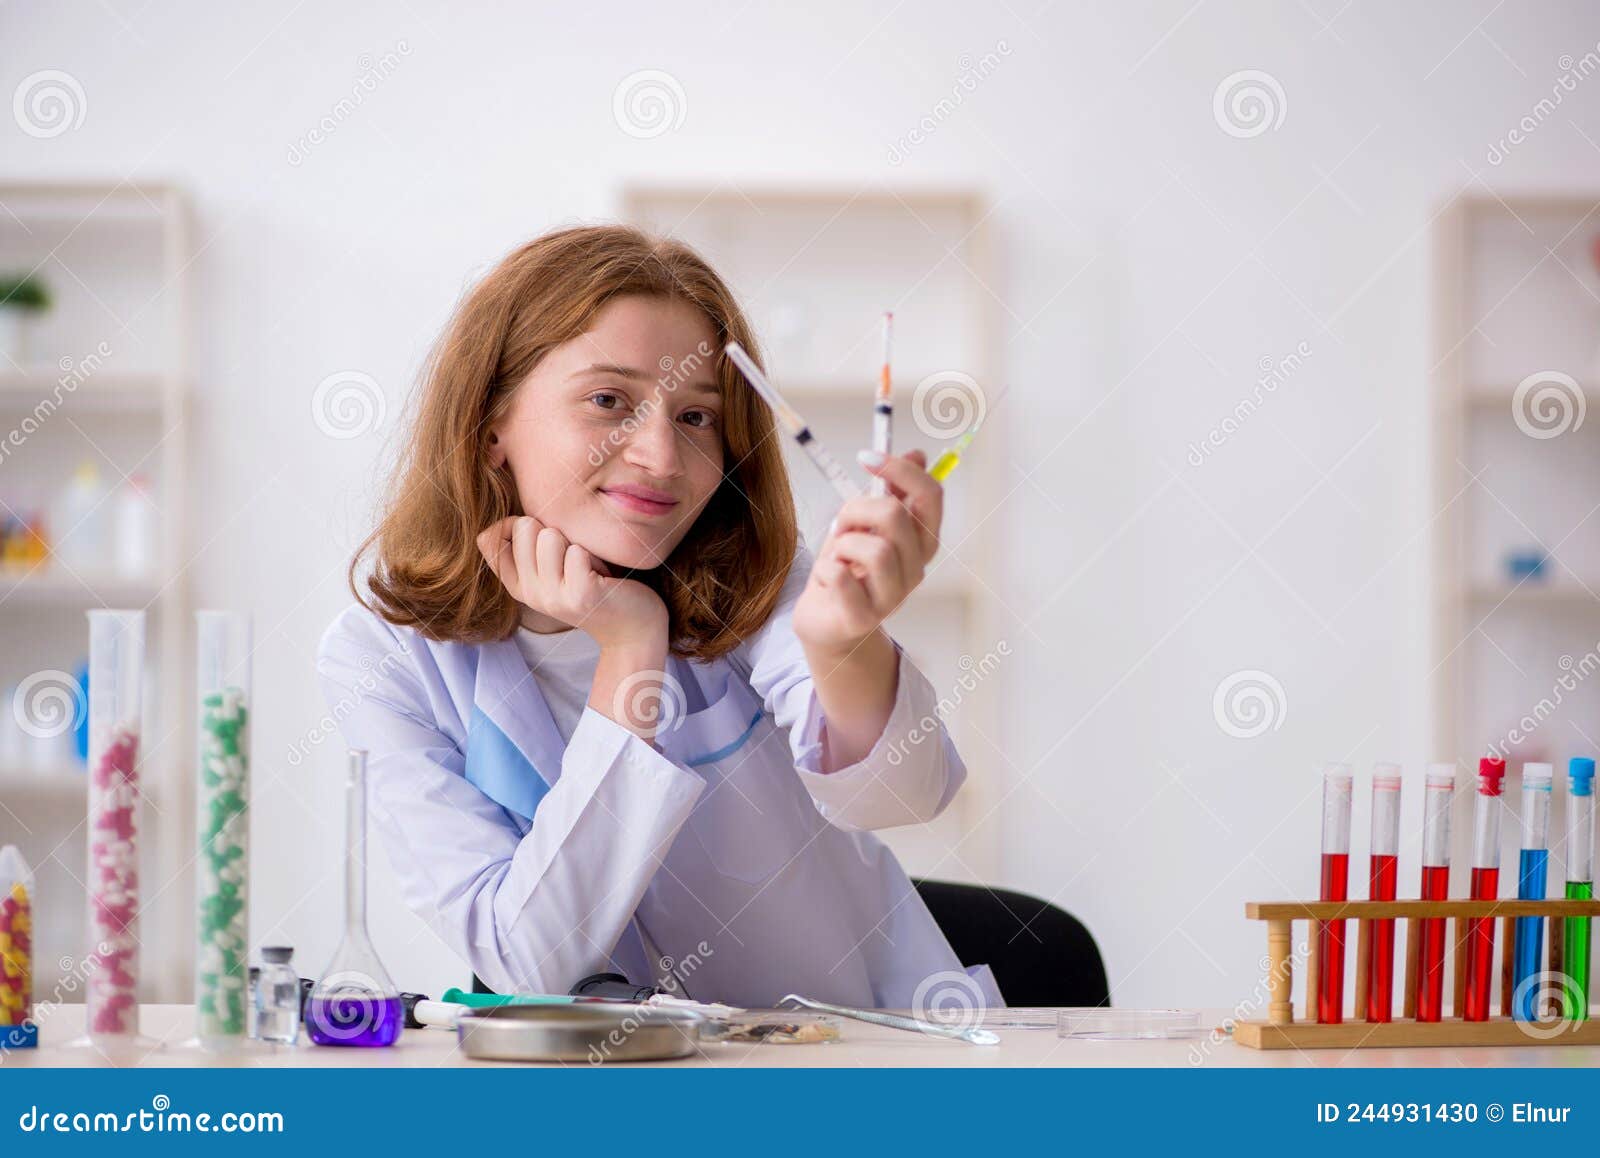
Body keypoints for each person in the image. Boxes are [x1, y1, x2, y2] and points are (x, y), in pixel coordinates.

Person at [315, 224, 1001, 1010]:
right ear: (491, 423)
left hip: (849, 1068)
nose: (662, 458)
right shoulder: (384, 659)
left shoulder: (760, 583)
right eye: (609, 401)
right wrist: (629, 649)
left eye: (697, 417)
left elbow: (902, 797)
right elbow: (528, 961)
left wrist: (843, 640)